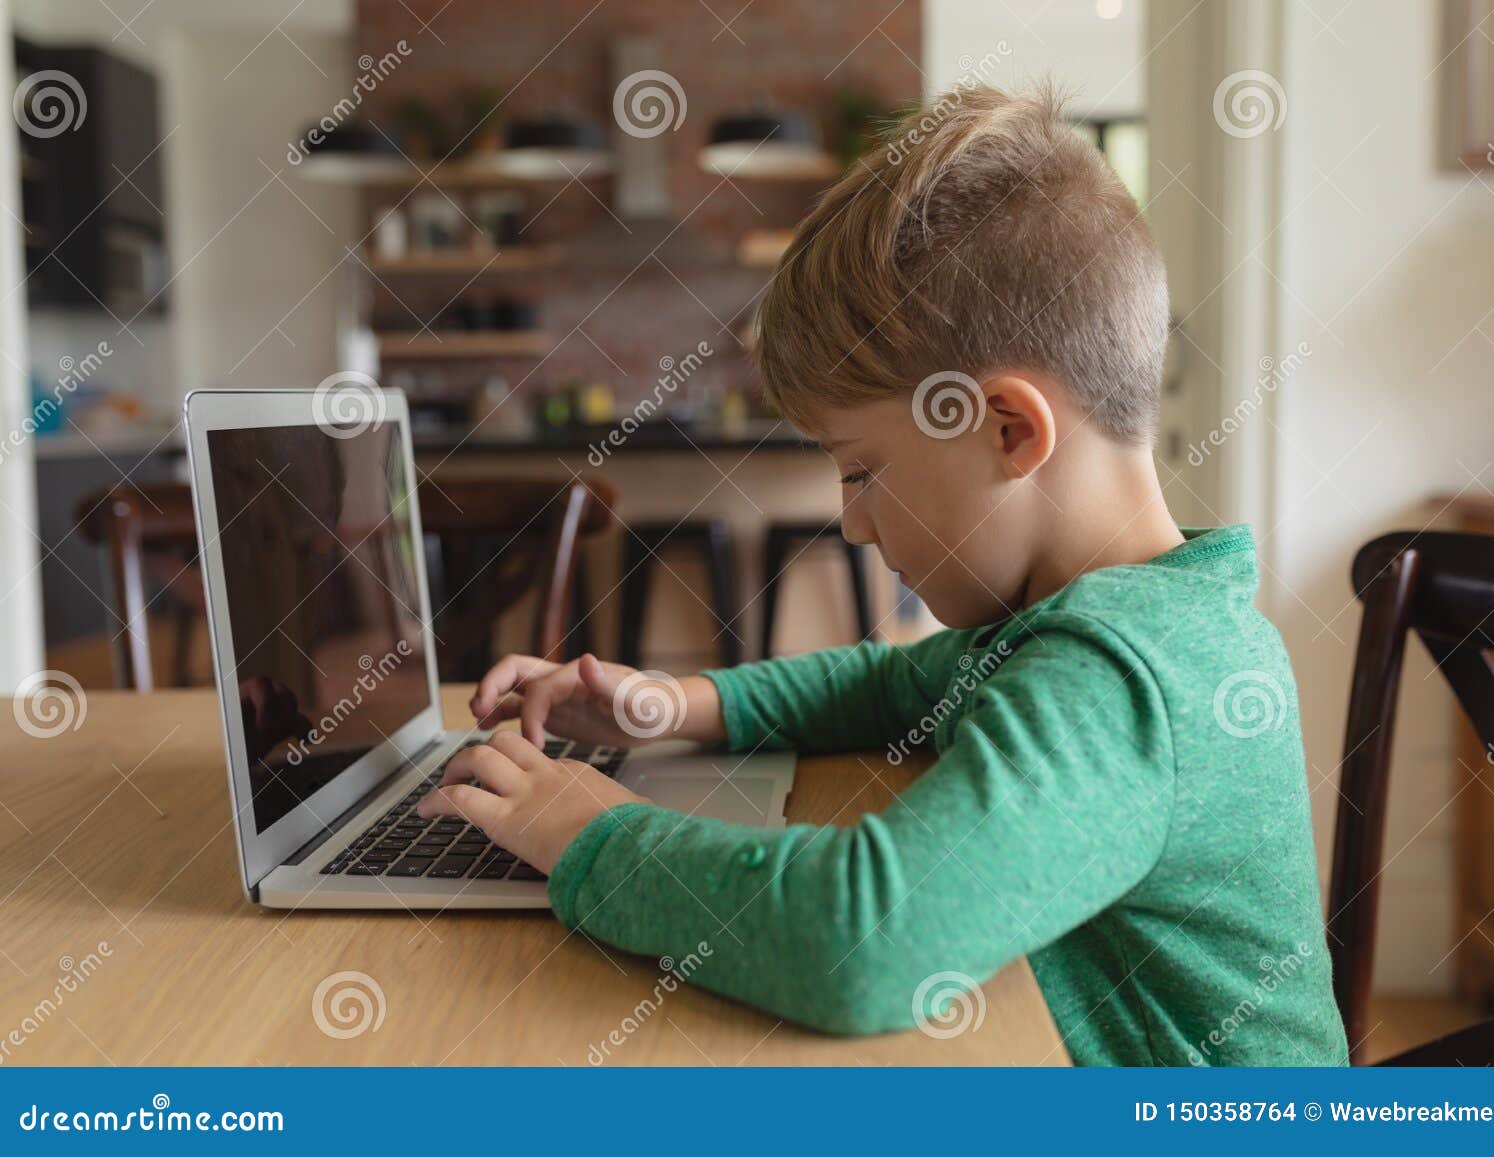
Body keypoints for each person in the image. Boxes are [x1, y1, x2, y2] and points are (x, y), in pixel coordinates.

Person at [418, 84, 1348, 1066]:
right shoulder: (1096, 618)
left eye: (862, 470)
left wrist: (587, 829)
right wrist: (670, 705)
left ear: (1007, 428)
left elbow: (861, 940)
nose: (853, 521)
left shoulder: (1117, 674)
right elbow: (891, 679)